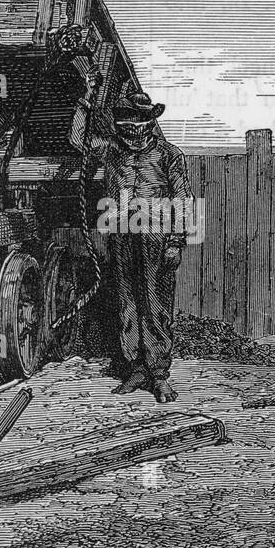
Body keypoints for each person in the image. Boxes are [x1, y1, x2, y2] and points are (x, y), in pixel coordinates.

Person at [100, 92, 191, 403]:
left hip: (157, 237)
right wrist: (87, 99)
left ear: (150, 121)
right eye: (128, 119)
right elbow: (76, 139)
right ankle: (136, 368)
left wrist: (176, 241)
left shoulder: (170, 154)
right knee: (126, 303)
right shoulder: (111, 153)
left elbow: (183, 200)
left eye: (140, 119)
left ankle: (159, 374)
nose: (134, 126)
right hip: (121, 234)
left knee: (155, 306)